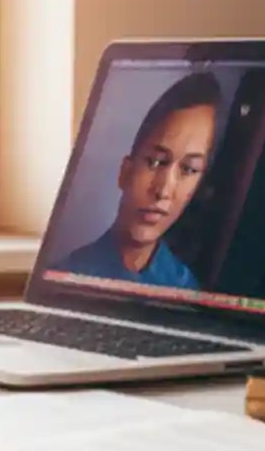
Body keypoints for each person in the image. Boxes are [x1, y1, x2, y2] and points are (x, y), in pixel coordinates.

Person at [55, 73, 222, 290]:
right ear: (125, 172)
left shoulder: (187, 290)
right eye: (155, 161)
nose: (163, 190)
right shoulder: (69, 275)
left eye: (189, 169)